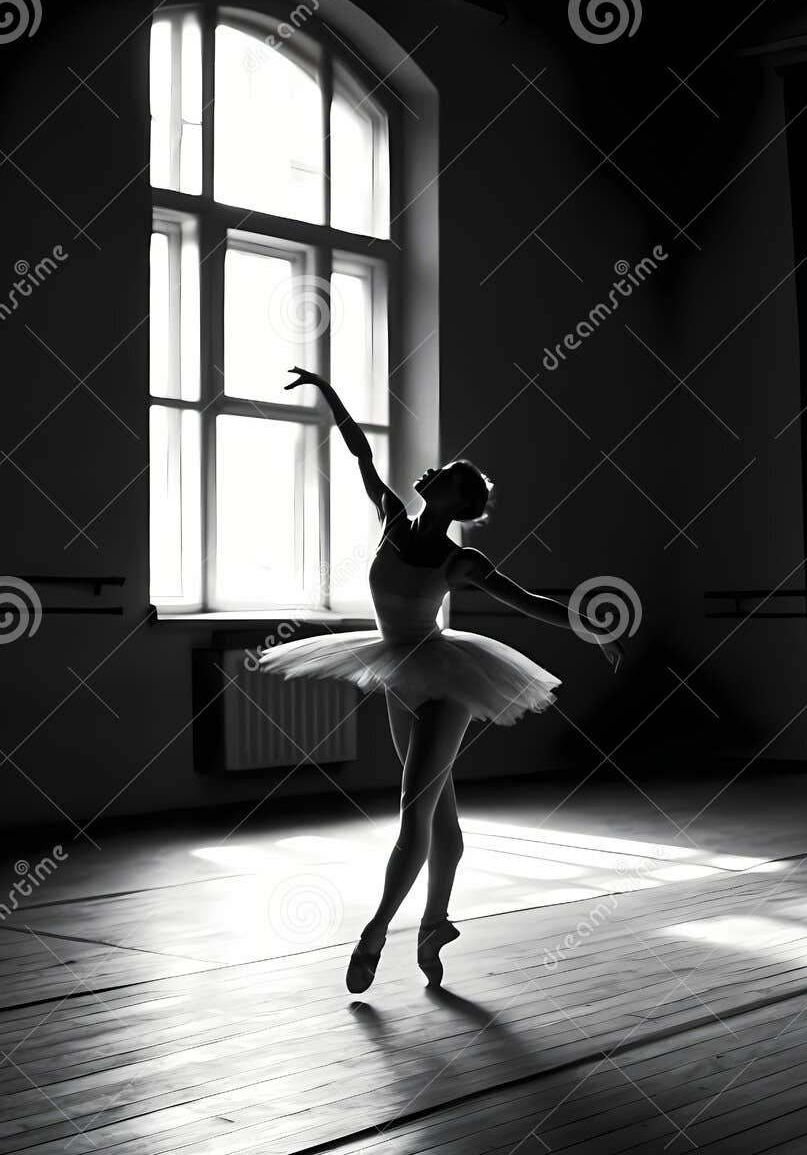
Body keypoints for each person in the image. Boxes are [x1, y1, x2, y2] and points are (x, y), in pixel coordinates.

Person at [259, 367, 626, 993]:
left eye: (448, 476)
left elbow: (527, 599)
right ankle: (434, 926)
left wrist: (588, 626)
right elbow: (361, 453)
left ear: (460, 502)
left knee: (413, 809)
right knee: (442, 820)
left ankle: (374, 935)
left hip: (445, 679)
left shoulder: (463, 561)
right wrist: (325, 388)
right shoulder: (393, 520)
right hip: (397, 670)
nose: (431, 473)